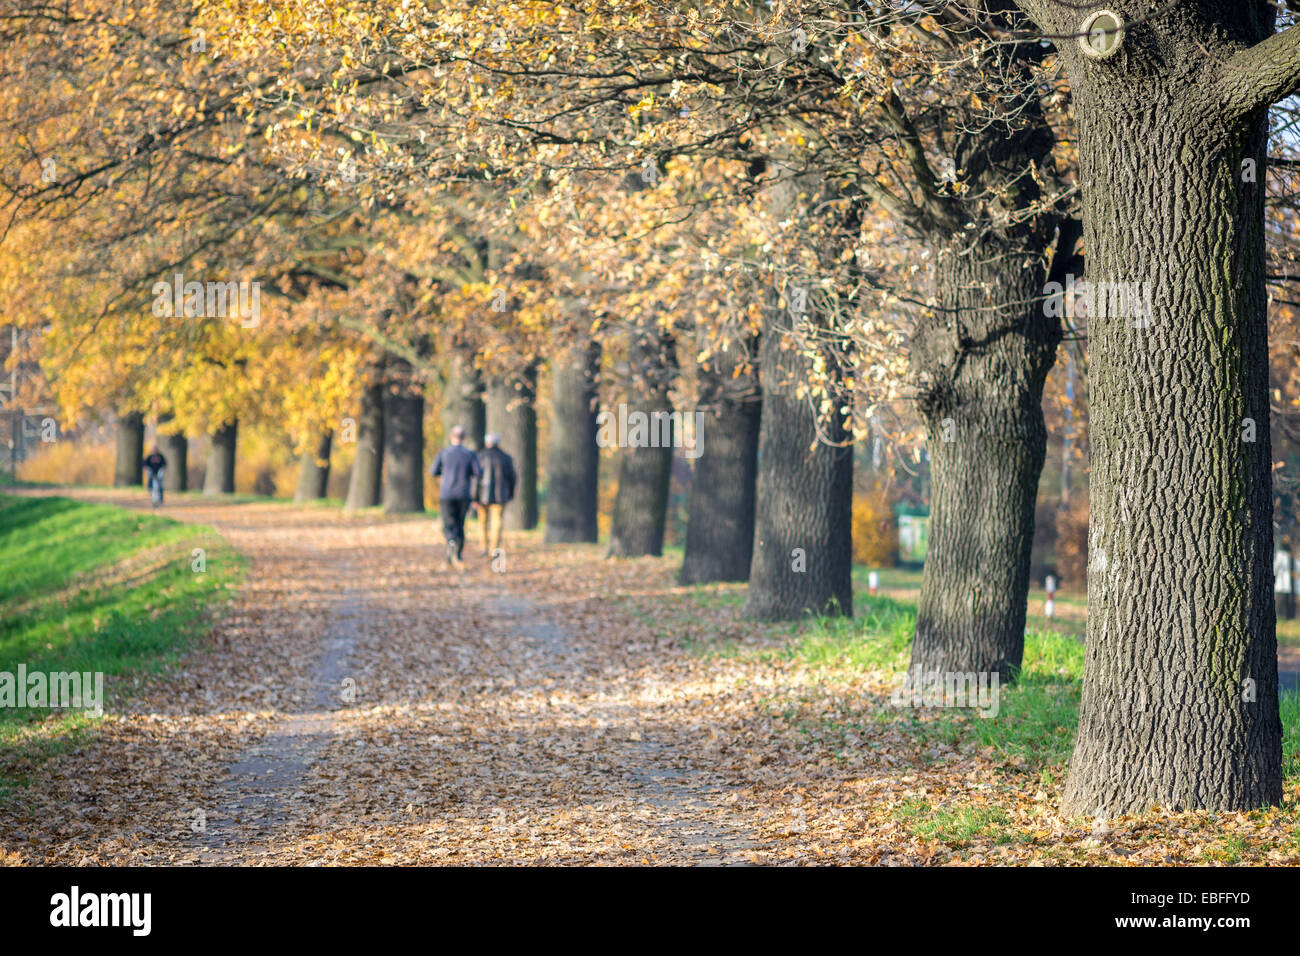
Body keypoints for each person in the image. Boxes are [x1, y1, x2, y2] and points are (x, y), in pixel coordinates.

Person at [430, 425, 482, 570]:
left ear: (451, 437)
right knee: (460, 523)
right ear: (464, 439)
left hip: (447, 493)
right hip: (464, 494)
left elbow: (433, 471)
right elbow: (478, 473)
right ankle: (458, 554)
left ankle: (450, 542)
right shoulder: (470, 454)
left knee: (448, 522)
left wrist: (445, 472)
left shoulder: (444, 453)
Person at [476, 433, 516, 557]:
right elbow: (513, 477)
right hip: (500, 496)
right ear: (498, 443)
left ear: (487, 443)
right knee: (497, 522)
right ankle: (494, 548)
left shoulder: (480, 456)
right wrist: (510, 493)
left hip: (482, 495)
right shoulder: (506, 458)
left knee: (482, 522)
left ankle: (483, 546)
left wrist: (473, 496)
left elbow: (475, 478)